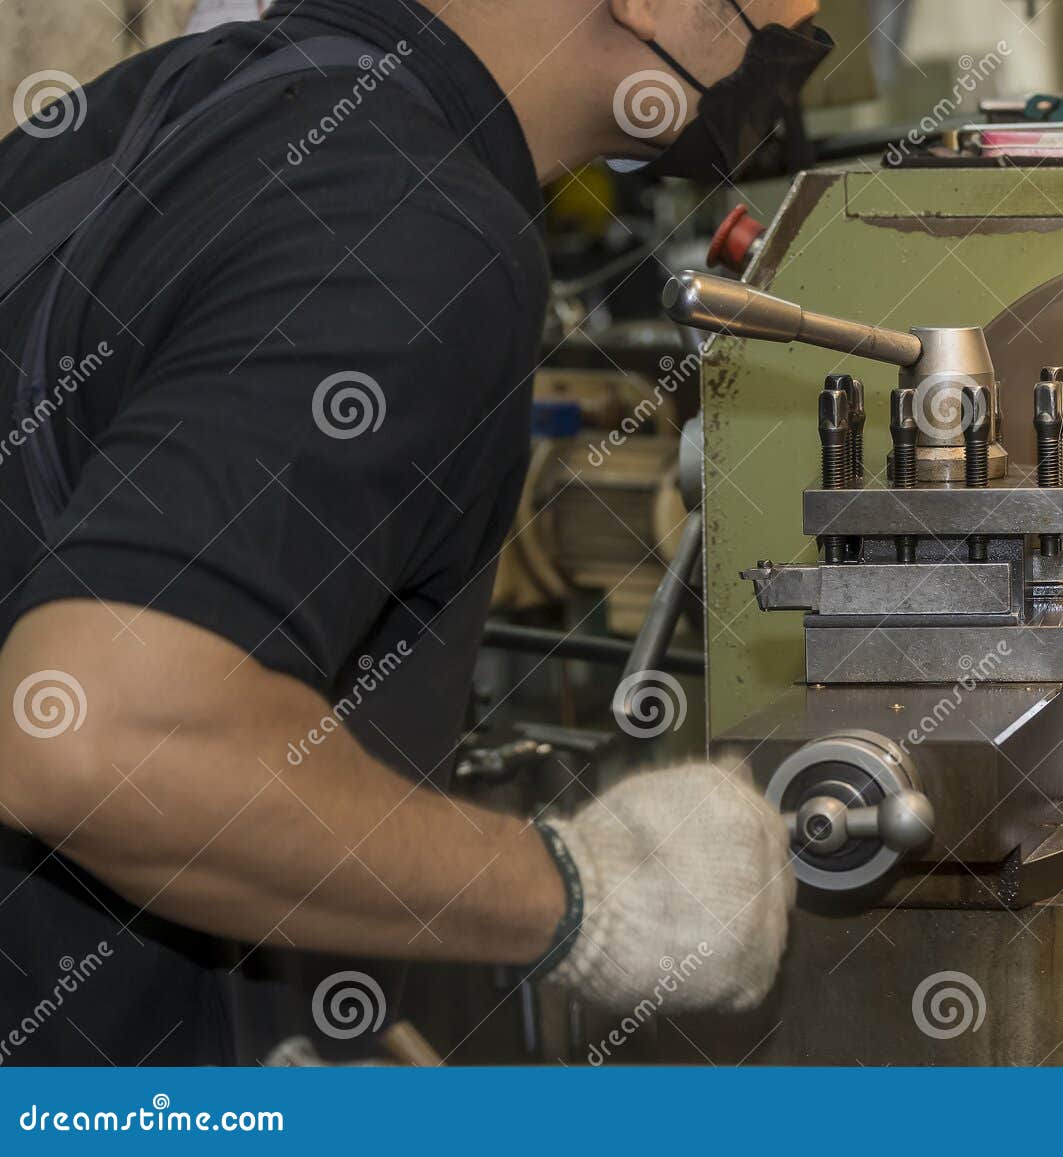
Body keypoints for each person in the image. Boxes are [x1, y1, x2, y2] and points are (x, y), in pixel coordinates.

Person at [0, 0, 829, 1065]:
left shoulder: (182, 99)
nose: (804, 21)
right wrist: (582, 893)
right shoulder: (416, 219)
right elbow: (99, 737)